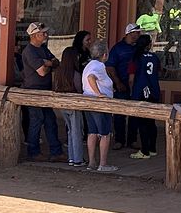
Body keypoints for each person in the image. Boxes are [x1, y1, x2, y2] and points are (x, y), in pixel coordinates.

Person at [20, 22, 66, 163]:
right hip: (33, 90)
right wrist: (48, 64)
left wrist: (48, 62)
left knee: (50, 121)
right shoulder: (29, 51)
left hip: (45, 89)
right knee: (36, 120)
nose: (46, 35)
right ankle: (33, 152)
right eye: (43, 33)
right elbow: (42, 72)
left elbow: (56, 61)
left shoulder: (44, 49)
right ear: (34, 35)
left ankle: (56, 152)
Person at [82, 40, 118, 172]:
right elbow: (91, 78)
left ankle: (92, 162)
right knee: (104, 133)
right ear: (104, 55)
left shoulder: (89, 64)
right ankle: (103, 163)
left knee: (92, 132)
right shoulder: (99, 66)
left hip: (88, 101)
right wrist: (98, 94)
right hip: (99, 103)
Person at [106, 22, 141, 150]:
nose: (138, 34)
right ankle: (119, 139)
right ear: (129, 33)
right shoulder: (117, 48)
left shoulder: (139, 47)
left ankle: (132, 140)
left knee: (134, 113)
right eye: (136, 32)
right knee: (119, 114)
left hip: (136, 86)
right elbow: (110, 66)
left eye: (139, 32)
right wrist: (117, 82)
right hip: (122, 85)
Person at [52, 44, 86, 167]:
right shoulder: (75, 74)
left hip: (62, 105)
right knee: (77, 131)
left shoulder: (59, 72)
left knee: (70, 131)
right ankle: (77, 159)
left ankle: (72, 157)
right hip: (74, 104)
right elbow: (80, 90)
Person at [129, 34, 161, 159]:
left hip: (140, 92)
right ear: (149, 44)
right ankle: (152, 148)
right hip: (153, 91)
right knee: (151, 122)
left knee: (142, 123)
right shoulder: (154, 57)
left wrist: (132, 91)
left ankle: (144, 151)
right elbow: (159, 72)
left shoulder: (136, 57)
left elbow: (131, 79)